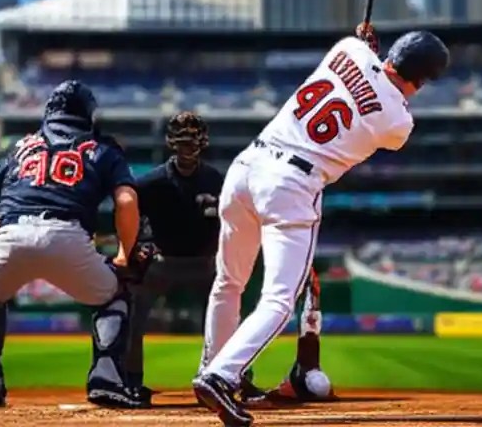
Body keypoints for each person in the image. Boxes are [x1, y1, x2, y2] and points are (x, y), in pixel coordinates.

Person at [191, 24, 449, 426]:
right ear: (421, 77)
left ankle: (213, 364)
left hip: (246, 167)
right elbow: (388, 104)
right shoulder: (399, 123)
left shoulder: (347, 48)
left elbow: (362, 66)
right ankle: (220, 376)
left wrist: (367, 50)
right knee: (278, 299)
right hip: (291, 186)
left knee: (229, 283)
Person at [0, 80, 153, 409]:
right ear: (89, 115)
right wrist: (123, 256)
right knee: (115, 295)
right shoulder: (103, 149)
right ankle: (106, 377)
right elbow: (128, 202)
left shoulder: (18, 148)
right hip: (67, 236)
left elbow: (1, 211)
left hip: (9, 235)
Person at [123, 111, 266, 406]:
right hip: (162, 263)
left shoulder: (217, 180)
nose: (187, 147)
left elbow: (236, 221)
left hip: (205, 264)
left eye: (193, 141)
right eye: (182, 141)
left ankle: (236, 380)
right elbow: (126, 213)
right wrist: (138, 246)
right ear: (171, 143)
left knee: (230, 314)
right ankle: (131, 382)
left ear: (203, 143)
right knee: (132, 313)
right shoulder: (151, 182)